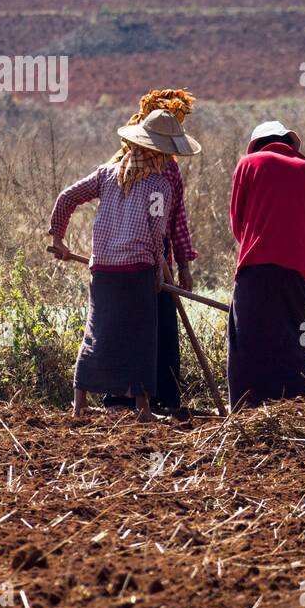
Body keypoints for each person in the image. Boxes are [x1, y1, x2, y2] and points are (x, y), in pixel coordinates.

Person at [48, 110, 201, 422]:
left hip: (102, 269)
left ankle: (79, 404)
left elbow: (67, 198)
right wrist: (159, 272)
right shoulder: (159, 185)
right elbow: (157, 233)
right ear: (159, 152)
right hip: (137, 270)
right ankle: (144, 410)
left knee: (98, 332)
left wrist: (58, 237)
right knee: (141, 338)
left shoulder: (107, 173)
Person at [227, 120, 305, 409]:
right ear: (290, 144)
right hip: (297, 275)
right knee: (293, 340)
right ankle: (291, 408)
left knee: (247, 341)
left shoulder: (248, 164)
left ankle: (246, 410)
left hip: (254, 271)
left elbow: (238, 222)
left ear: (258, 144)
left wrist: (257, 244)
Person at [102, 90, 199, 418]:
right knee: (152, 330)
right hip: (149, 263)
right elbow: (173, 221)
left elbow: (174, 221)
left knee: (128, 327)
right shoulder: (151, 168)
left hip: (119, 263)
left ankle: (127, 399)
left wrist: (182, 265)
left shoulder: (121, 162)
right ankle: (150, 401)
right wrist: (175, 265)